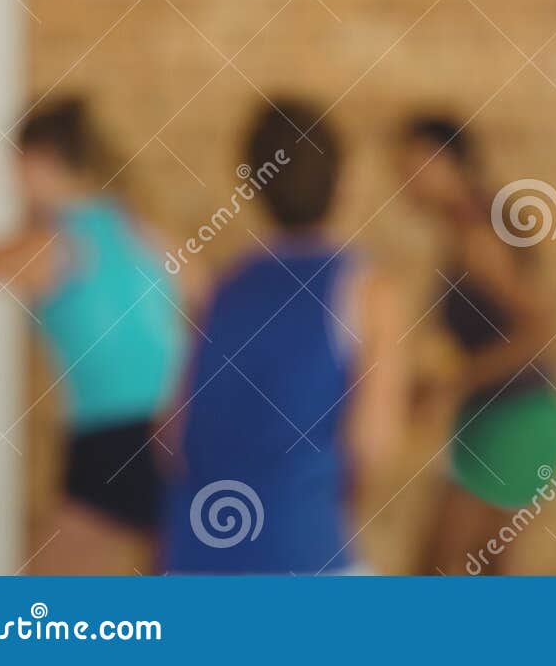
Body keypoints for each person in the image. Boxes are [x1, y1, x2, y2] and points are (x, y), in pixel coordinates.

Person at [0, 96, 190, 574]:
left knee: (40, 603)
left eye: (17, 166)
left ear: (42, 162)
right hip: (171, 428)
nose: (12, 182)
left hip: (117, 437)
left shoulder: (47, 245)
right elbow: (210, 303)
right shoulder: (137, 229)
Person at [158, 97, 408, 574]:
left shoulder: (218, 290)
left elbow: (170, 436)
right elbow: (372, 444)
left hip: (194, 558)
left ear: (252, 182)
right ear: (344, 179)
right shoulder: (367, 291)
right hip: (305, 551)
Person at [396, 113, 556, 575]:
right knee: (489, 570)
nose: (405, 182)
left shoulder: (477, 239)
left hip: (514, 418)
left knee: (433, 568)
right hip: (491, 416)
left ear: (449, 162)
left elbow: (540, 333)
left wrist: (452, 384)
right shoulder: (465, 231)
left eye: (414, 168)